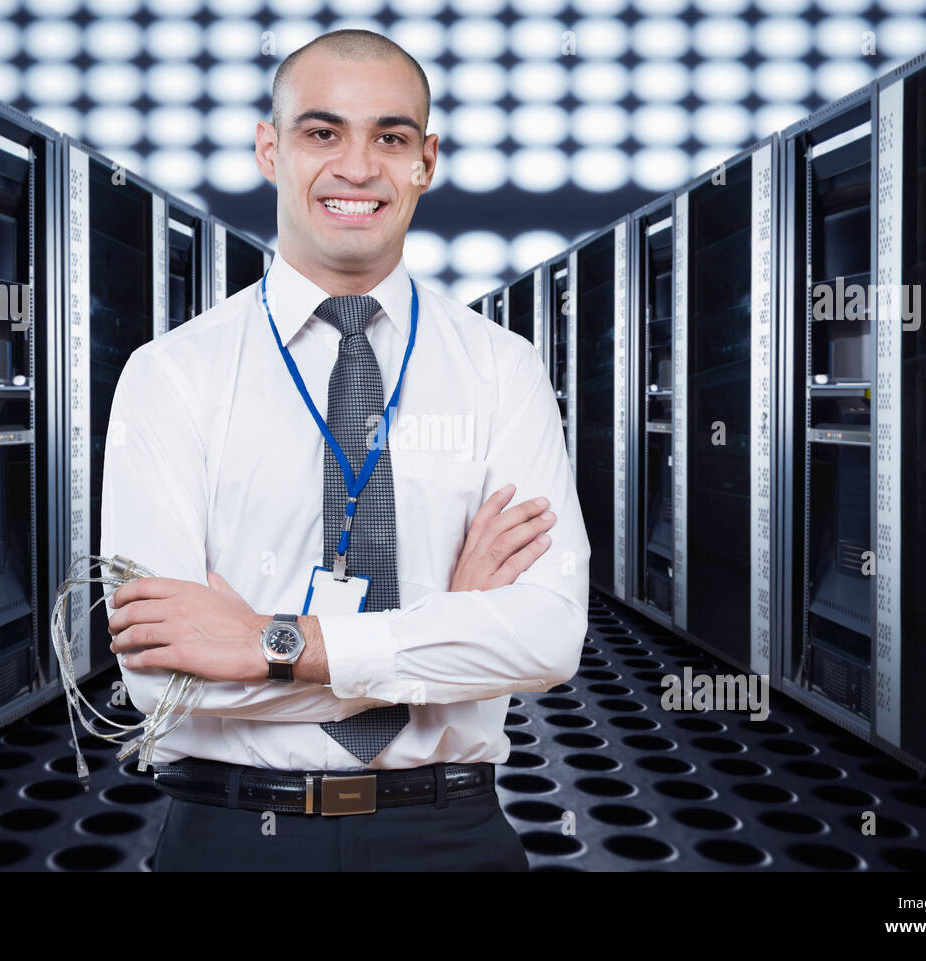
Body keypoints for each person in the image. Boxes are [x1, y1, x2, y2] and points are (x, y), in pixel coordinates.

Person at [100, 28, 590, 872]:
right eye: (321, 132)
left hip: (450, 830)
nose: (357, 167)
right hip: (232, 837)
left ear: (425, 160)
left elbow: (546, 638)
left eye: (390, 137)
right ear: (270, 148)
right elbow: (163, 684)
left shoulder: (500, 369)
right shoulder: (170, 376)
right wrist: (444, 631)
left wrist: (269, 641)